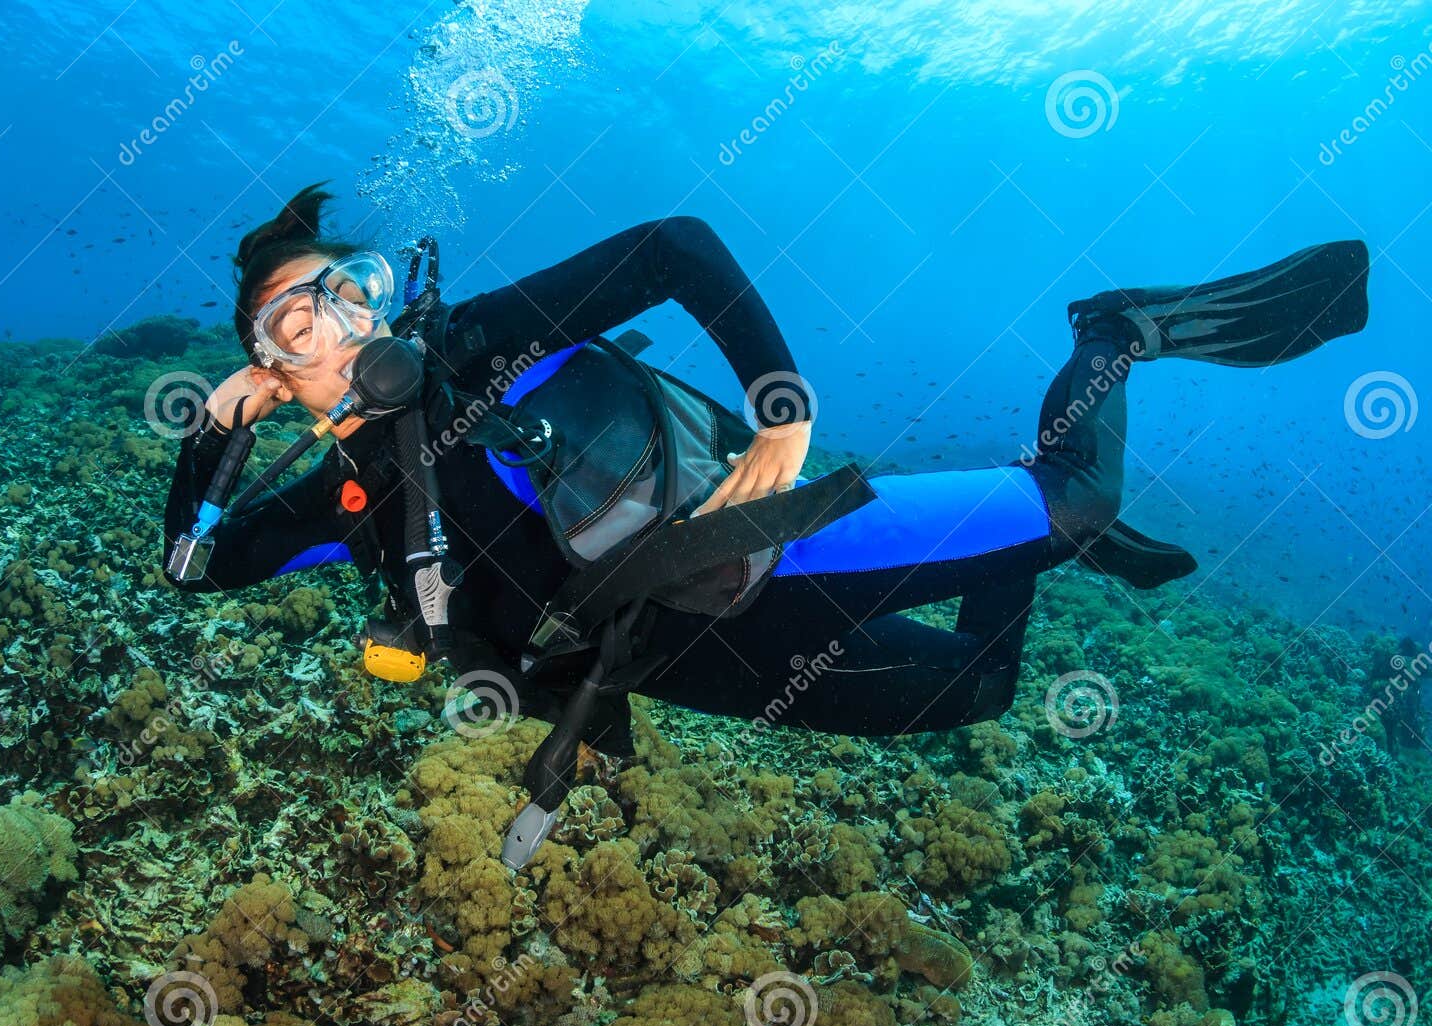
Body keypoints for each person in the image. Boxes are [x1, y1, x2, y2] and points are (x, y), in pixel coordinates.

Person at [163, 183, 1368, 743]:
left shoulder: (474, 337)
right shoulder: (346, 500)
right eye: (295, 324)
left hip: (767, 538)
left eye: (347, 288)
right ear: (272, 369)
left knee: (1075, 499)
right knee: (972, 692)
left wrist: (780, 408)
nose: (340, 322)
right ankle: (1030, 526)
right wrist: (217, 432)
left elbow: (669, 245)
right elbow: (193, 569)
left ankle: (1114, 338)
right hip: (680, 654)